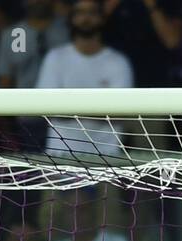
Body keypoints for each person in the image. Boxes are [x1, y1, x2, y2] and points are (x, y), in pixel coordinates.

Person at [35, 0, 135, 159]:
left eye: (92, 12)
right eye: (80, 13)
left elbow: (121, 112)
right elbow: (45, 107)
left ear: (102, 18)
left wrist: (68, 108)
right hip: (60, 157)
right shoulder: (55, 58)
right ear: (71, 18)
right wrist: (101, 110)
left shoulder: (118, 62)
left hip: (108, 158)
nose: (85, 18)